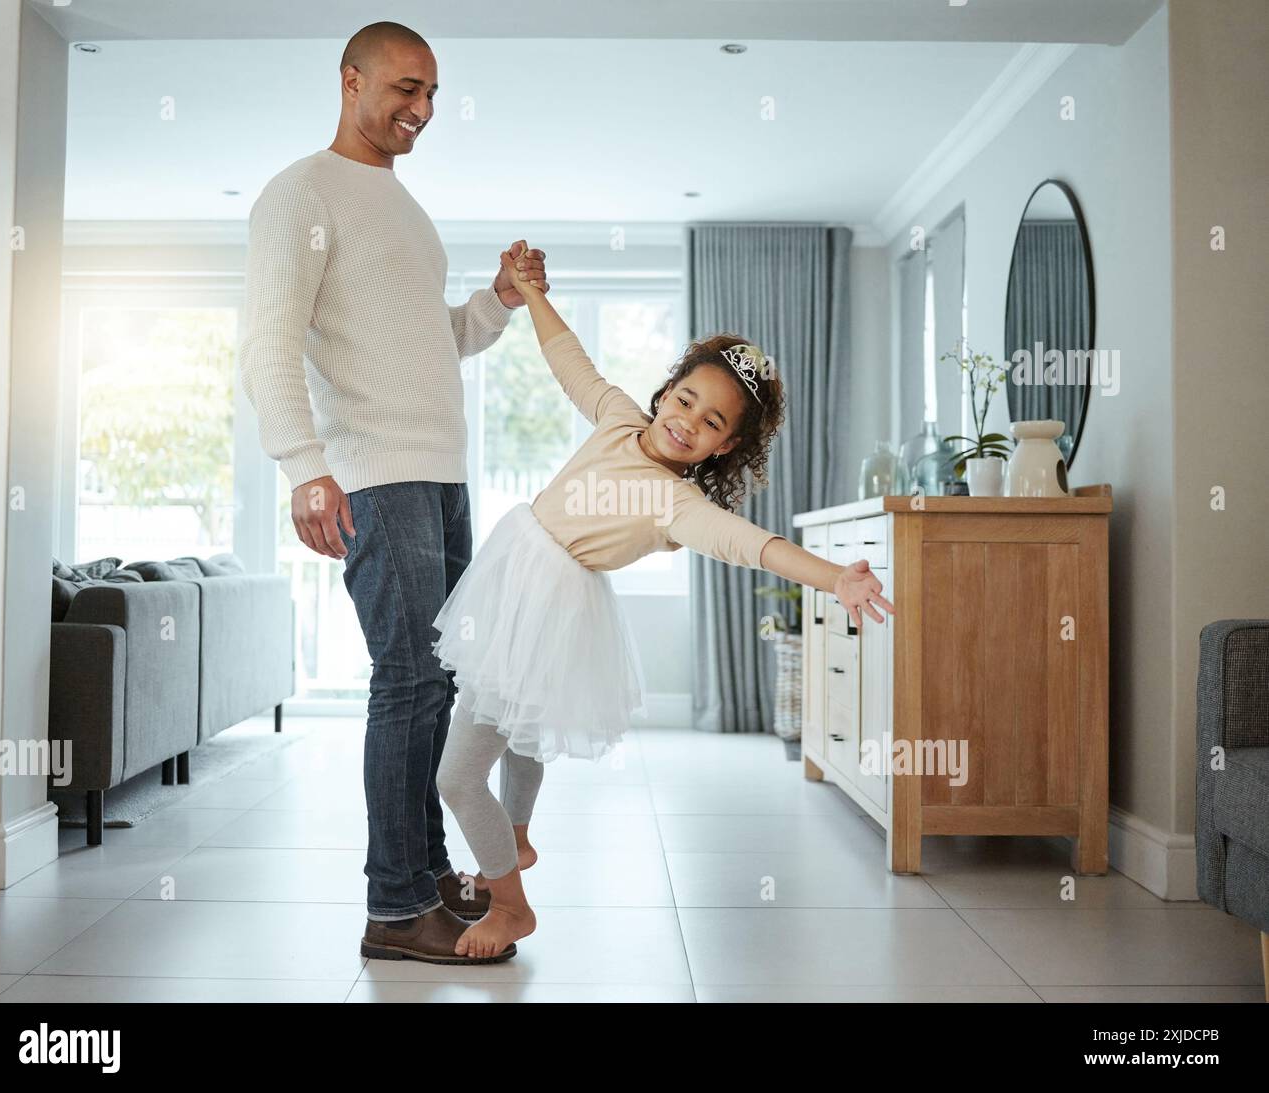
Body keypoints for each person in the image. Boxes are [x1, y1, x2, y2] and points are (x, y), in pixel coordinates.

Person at [433, 252, 896, 959]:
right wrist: (527, 290)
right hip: (523, 583)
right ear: (666, 390)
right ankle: (517, 837)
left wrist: (836, 577)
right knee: (523, 731)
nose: (687, 423)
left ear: (726, 444)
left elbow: (755, 544)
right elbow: (568, 358)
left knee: (458, 776)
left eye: (711, 422)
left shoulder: (678, 503)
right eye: (685, 400)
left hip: (550, 602)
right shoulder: (618, 417)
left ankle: (510, 907)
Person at [238, 21, 550, 966]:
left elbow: (437, 339)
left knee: (439, 685)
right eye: (404, 89)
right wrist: (304, 465)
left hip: (441, 475)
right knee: (409, 681)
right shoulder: (300, 195)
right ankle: (393, 903)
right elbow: (266, 340)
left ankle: (424, 876)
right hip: (375, 475)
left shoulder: (404, 210)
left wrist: (496, 297)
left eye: (430, 98)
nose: (418, 111)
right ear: (351, 80)